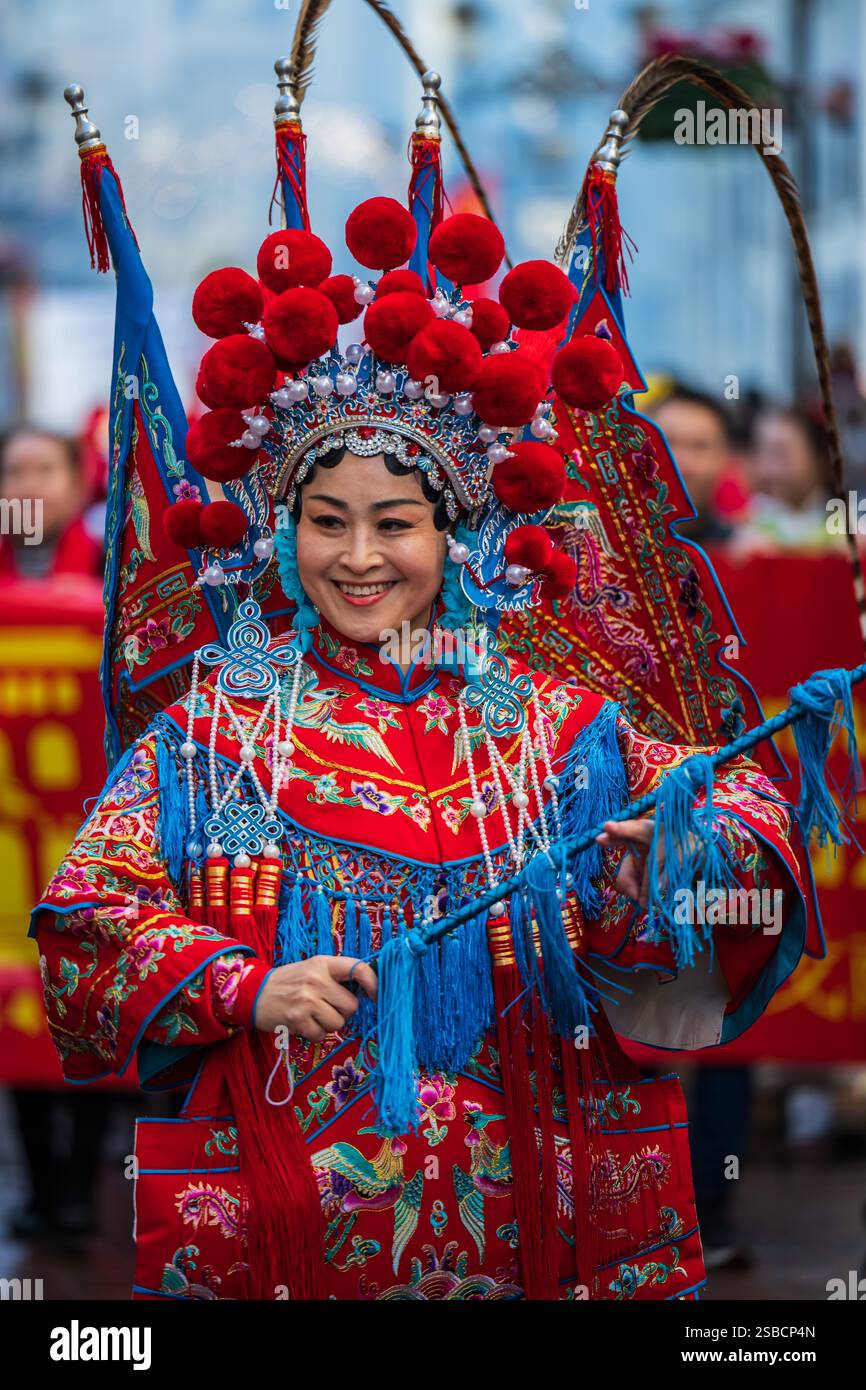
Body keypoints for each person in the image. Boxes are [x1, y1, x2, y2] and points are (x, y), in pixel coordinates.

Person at [29, 192, 816, 1299]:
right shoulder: (212, 737)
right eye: (325, 520)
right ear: (278, 528)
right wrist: (242, 986)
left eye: (393, 522)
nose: (358, 557)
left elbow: (753, 819)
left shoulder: (562, 726)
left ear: (456, 535)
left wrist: (674, 851)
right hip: (292, 1227)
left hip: (548, 1225)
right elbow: (83, 925)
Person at [0, 426, 103, 579]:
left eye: (45, 470)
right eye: (15, 472)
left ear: (78, 486)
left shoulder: (110, 567)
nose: (29, 487)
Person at [737, 404, 840, 553]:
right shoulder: (747, 525)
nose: (766, 469)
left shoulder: (846, 528)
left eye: (780, 454)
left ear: (820, 459)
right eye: (760, 451)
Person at [650, 386, 737, 545]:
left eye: (699, 446)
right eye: (667, 442)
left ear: (724, 459)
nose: (681, 463)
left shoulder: (738, 552)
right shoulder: (603, 544)